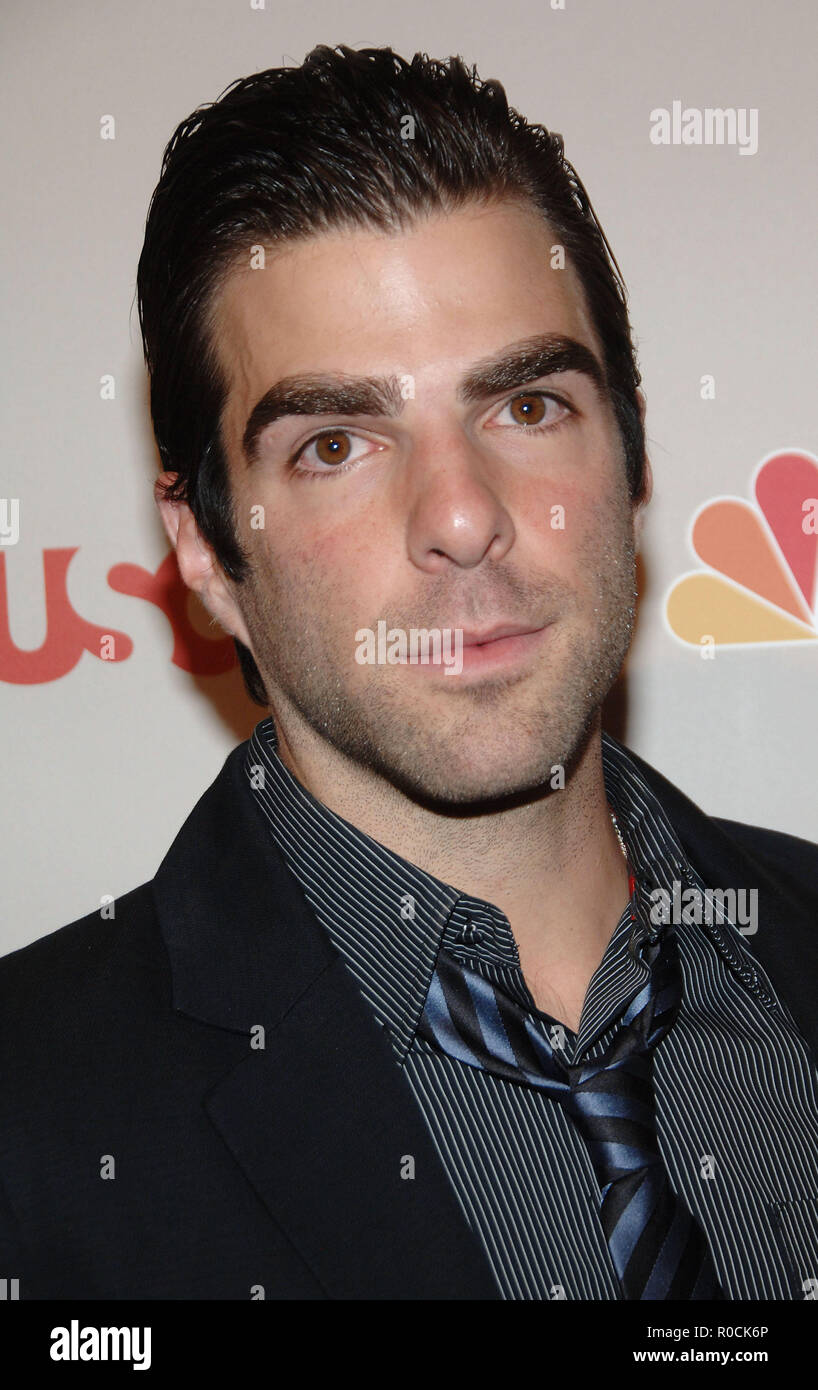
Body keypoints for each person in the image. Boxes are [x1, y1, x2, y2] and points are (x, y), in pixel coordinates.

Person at [2, 44, 817, 1303]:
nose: (459, 514)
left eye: (527, 407)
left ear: (633, 454)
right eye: (334, 442)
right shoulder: (33, 1131)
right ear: (209, 551)